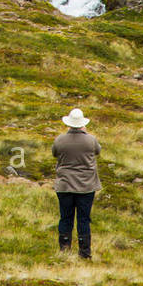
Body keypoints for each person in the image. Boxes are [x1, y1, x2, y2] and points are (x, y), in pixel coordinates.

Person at [52, 107, 101, 260]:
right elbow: (97, 151)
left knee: (65, 217)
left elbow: (54, 153)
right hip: (86, 186)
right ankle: (85, 252)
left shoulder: (60, 140)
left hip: (65, 185)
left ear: (69, 123)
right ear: (82, 124)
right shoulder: (90, 140)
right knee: (83, 219)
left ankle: (64, 250)